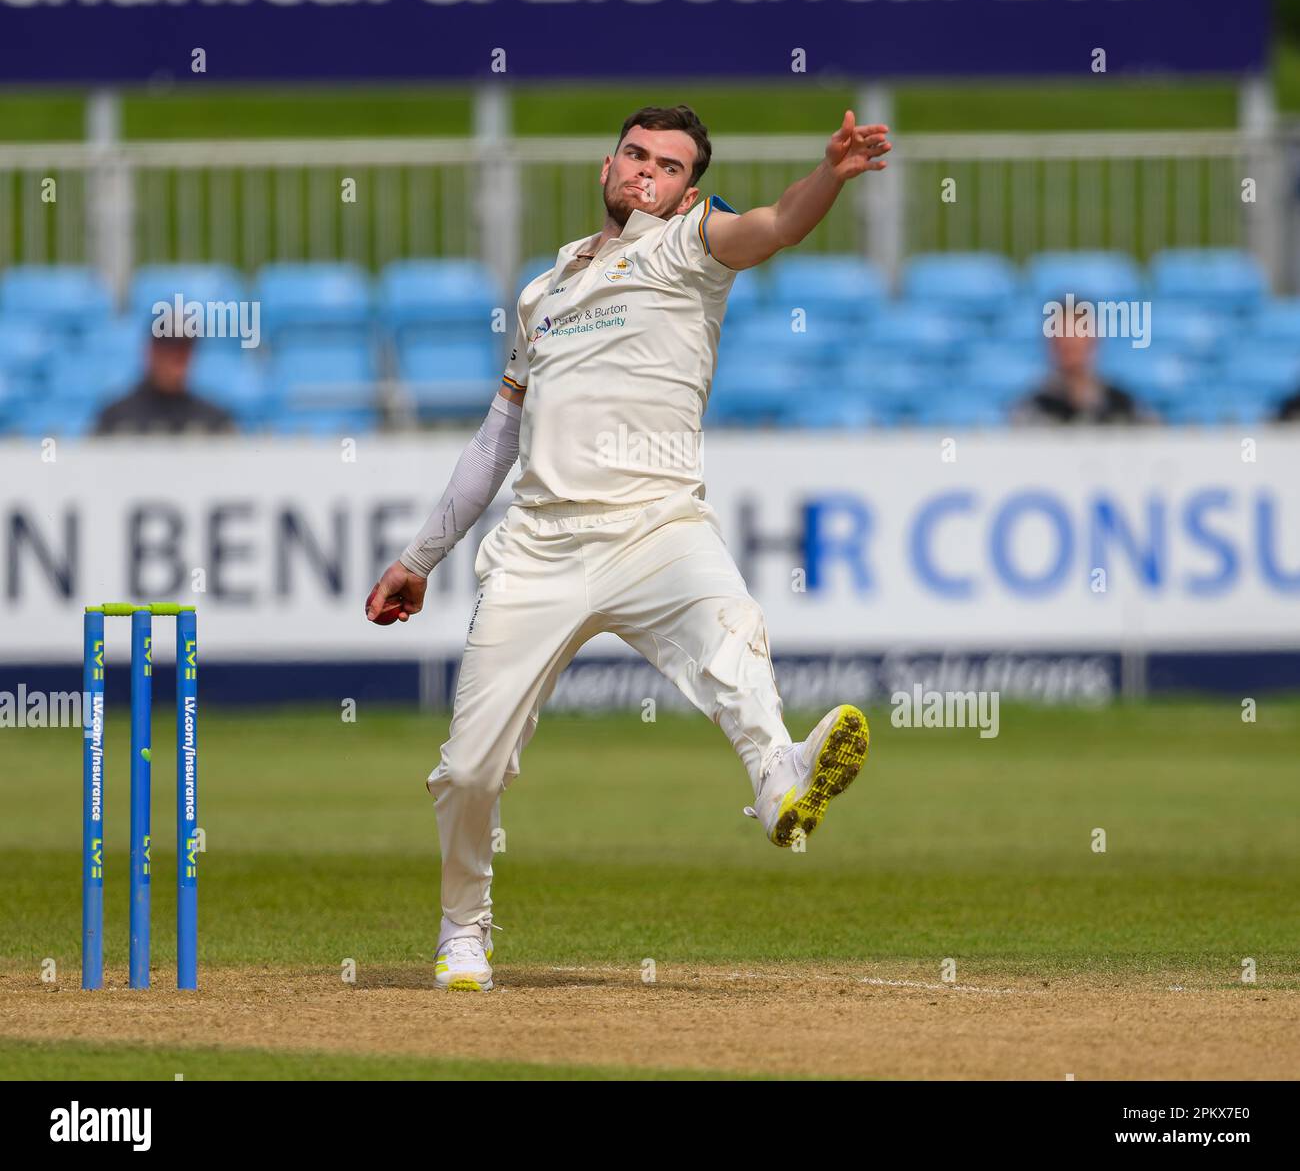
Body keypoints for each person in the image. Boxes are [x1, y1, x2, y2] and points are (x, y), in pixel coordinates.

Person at [365, 104, 889, 991]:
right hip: (540, 544)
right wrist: (420, 556)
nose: (649, 173)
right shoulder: (547, 289)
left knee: (733, 622)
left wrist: (828, 177)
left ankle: (778, 780)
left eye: (671, 166)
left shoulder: (690, 246)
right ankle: (463, 931)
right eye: (636, 157)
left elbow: (773, 225)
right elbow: (497, 440)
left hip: (656, 524)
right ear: (606, 167)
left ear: (690, 188)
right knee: (467, 771)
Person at [1012, 296, 1147, 425]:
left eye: (1078, 333)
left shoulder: (1123, 407)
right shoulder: (1032, 410)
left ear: (1094, 339)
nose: (1069, 342)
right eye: (1062, 333)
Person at [94, 327, 235, 436]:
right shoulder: (115, 418)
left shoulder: (215, 420)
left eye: (184, 348)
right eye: (169, 347)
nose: (177, 357)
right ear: (150, 351)